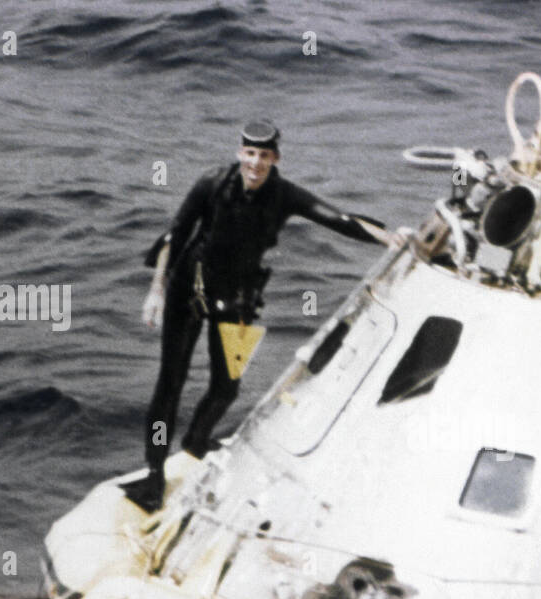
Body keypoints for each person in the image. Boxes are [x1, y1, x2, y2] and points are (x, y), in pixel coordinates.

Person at [122, 120, 383, 512]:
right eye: (249, 153)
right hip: (186, 290)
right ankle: (154, 474)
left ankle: (196, 439)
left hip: (239, 296)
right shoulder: (211, 183)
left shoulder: (285, 195)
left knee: (227, 388)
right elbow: (175, 235)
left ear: (275, 158)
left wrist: (389, 236)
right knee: (170, 384)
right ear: (240, 153)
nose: (256, 163)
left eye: (264, 155)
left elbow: (339, 219)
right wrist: (156, 291)